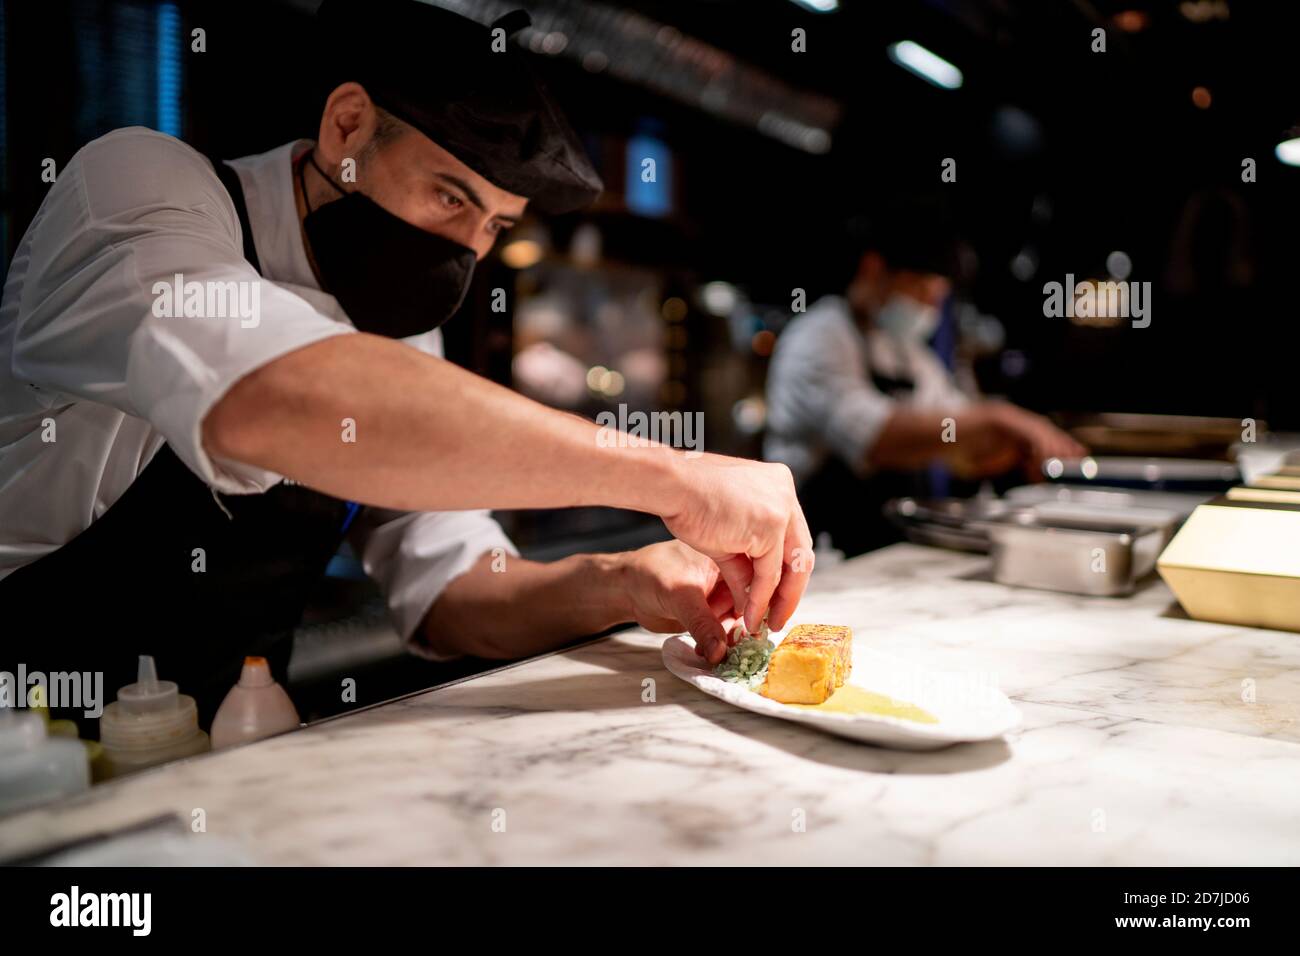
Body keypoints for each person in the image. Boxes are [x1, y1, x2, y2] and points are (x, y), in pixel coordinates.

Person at [0, 1, 810, 729]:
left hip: (231, 750)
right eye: (451, 197)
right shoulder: (141, 186)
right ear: (347, 125)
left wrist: (618, 582)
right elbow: (272, 392)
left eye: (495, 225)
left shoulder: (391, 323)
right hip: (30, 743)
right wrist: (668, 475)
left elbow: (451, 587)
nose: (466, 248)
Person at [764, 204, 1084, 555]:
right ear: (874, 268)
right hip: (819, 553)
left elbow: (956, 427)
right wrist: (999, 415)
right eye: (921, 291)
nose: (928, 309)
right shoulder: (817, 337)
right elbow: (878, 439)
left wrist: (1014, 447)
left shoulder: (903, 349)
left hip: (889, 549)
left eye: (937, 299)